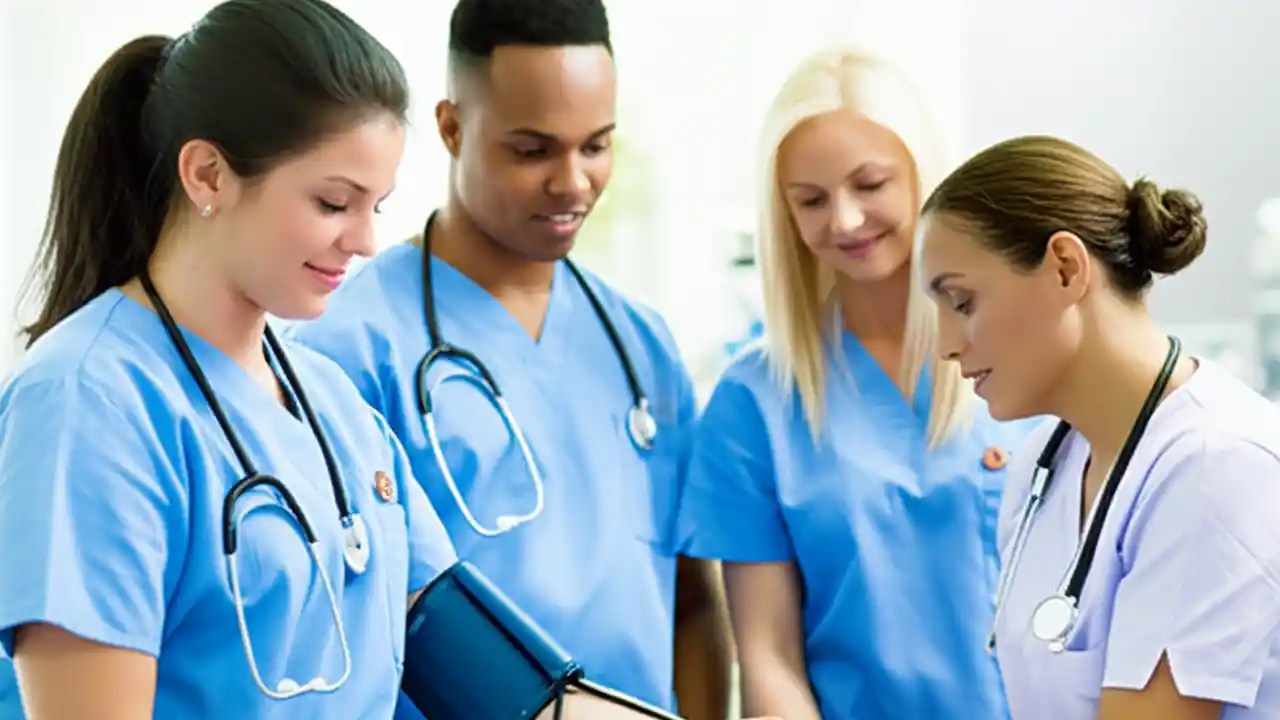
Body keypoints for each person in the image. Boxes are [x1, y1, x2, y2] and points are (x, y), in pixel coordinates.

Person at [0, 1, 461, 717]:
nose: (365, 241)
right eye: (334, 202)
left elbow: (496, 673)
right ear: (208, 175)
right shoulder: (86, 402)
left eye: (376, 206)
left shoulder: (333, 404)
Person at [285, 0, 729, 717]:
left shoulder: (642, 345)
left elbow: (693, 604)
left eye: (596, 146)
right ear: (451, 128)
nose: (573, 182)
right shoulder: (348, 350)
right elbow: (334, 631)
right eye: (532, 150)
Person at [672, 47, 1036, 719]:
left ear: (924, 175)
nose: (843, 220)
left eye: (870, 185)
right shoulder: (755, 403)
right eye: (811, 200)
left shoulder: (1027, 348)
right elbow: (768, 657)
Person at [918, 134, 1280, 719]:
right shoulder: (1043, 466)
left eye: (962, 303)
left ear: (1065, 269)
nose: (945, 346)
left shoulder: (1215, 467)